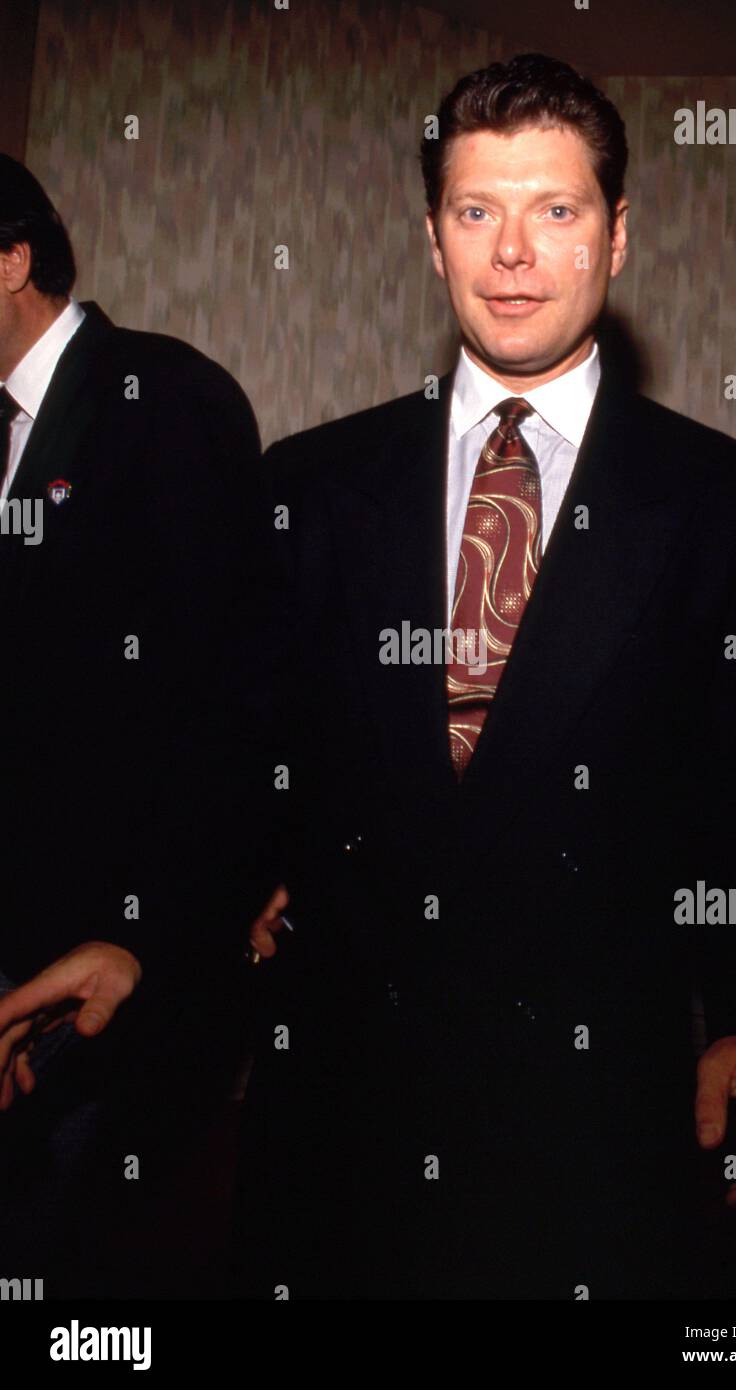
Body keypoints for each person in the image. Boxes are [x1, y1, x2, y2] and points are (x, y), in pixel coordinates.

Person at [234, 54, 736, 1299]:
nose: (513, 252)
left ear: (617, 239)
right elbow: (253, 735)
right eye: (477, 211)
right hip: (342, 1102)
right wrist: (240, 881)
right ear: (432, 240)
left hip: (589, 1110)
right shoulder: (310, 483)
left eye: (555, 211)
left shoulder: (729, 506)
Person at [0, 155, 275, 1295]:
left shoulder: (156, 395)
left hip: (111, 969)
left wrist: (148, 933)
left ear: (9, 260)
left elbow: (234, 692)